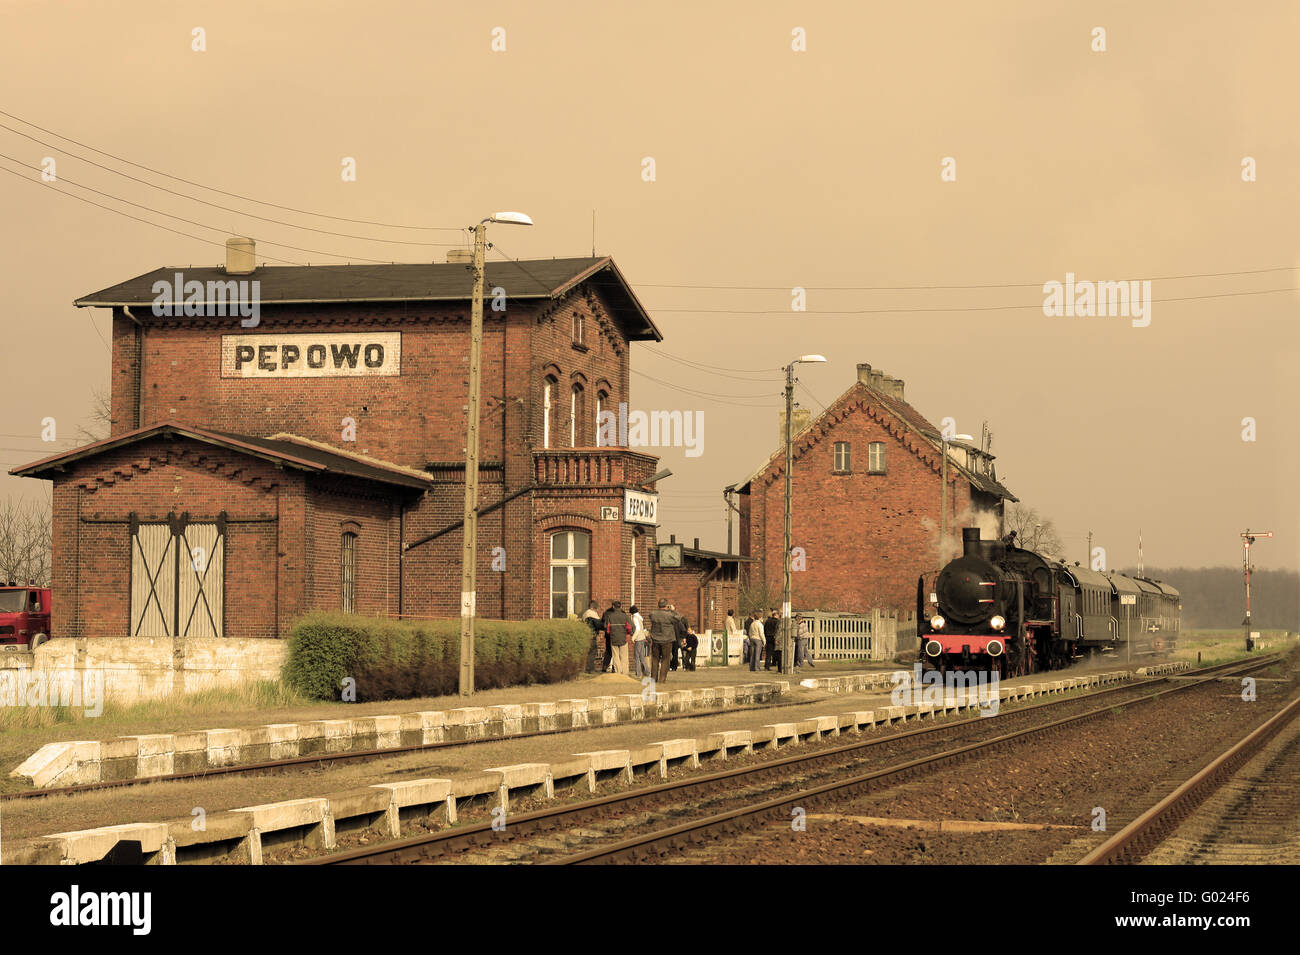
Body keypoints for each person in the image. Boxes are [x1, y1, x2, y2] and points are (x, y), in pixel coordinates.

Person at [647, 598, 678, 684]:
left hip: (656, 639)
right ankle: (662, 679)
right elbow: (678, 618)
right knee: (665, 659)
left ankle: (653, 679)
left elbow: (650, 615)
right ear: (666, 605)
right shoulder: (669, 615)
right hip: (667, 640)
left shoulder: (653, 614)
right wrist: (673, 610)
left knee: (655, 659)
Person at [603, 600, 632, 675]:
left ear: (613, 607)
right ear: (620, 606)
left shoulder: (610, 616)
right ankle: (625, 673)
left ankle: (618, 672)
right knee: (624, 657)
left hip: (614, 638)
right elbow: (630, 627)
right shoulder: (625, 616)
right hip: (623, 638)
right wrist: (628, 633)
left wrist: (610, 633)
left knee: (615, 656)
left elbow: (607, 627)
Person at [581, 600, 603, 673]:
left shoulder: (585, 613)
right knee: (592, 651)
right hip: (592, 634)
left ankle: (587, 667)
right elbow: (599, 625)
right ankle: (590, 668)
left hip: (586, 634)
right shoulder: (592, 614)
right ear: (594, 607)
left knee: (588, 651)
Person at [630, 604, 649, 678]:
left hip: (638, 639)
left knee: (637, 657)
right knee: (641, 656)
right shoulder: (639, 617)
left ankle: (638, 673)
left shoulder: (635, 618)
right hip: (642, 638)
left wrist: (633, 638)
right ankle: (647, 671)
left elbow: (637, 629)